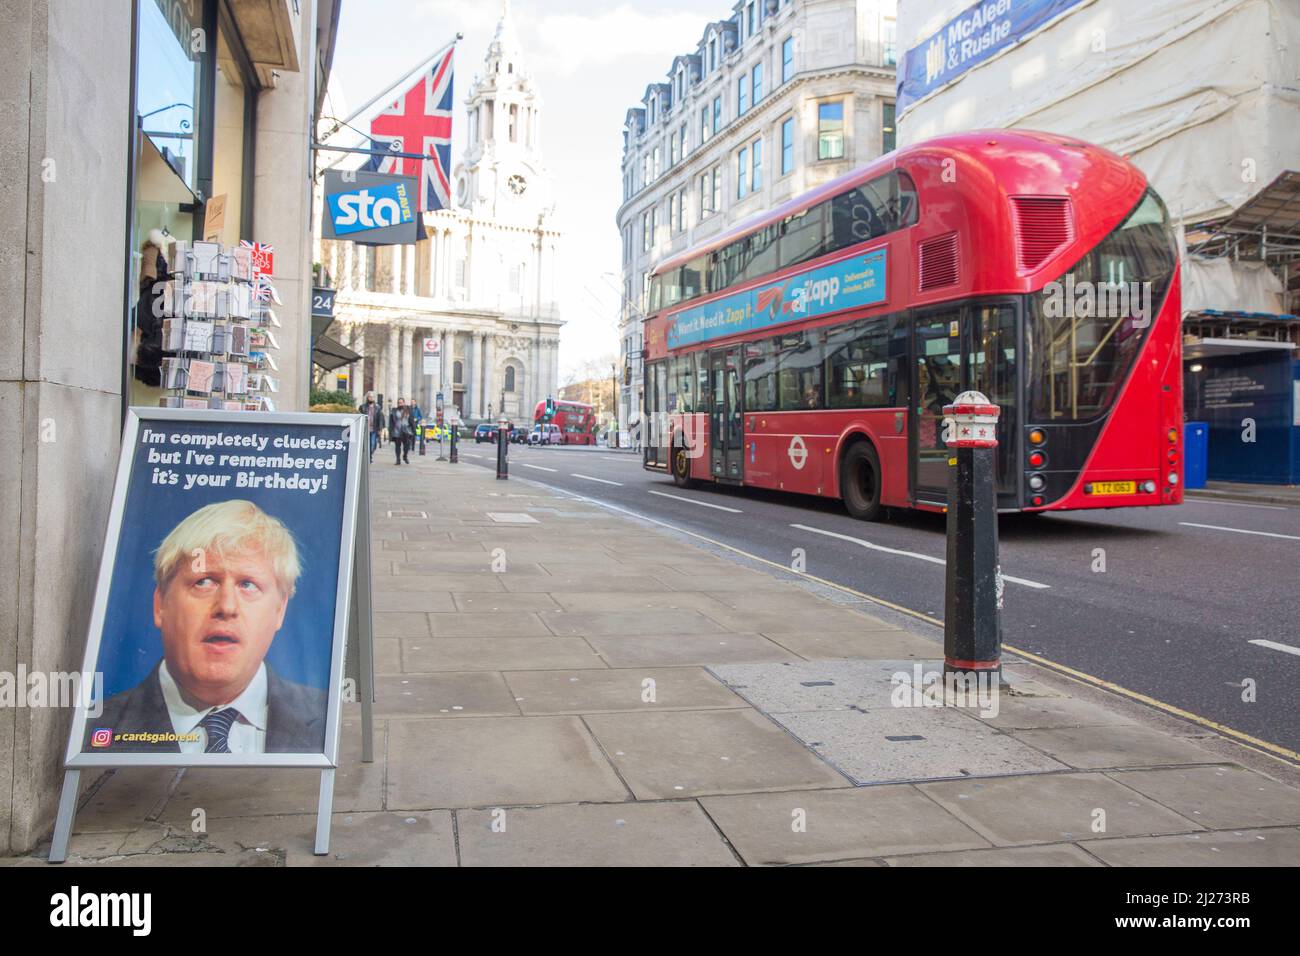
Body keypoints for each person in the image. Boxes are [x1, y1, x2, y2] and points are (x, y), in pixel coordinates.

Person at [85, 500, 326, 754]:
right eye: (205, 582)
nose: (227, 606)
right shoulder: (93, 733)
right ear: (160, 605)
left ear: (280, 610)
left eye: (247, 585)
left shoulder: (330, 720)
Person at [358, 391, 382, 463]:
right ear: (367, 398)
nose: (371, 398)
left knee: (373, 445)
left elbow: (380, 419)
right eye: (369, 397)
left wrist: (380, 428)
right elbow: (359, 417)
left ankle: (370, 455)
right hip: (365, 429)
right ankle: (368, 457)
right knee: (366, 444)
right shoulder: (362, 407)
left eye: (372, 397)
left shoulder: (378, 407)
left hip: (374, 429)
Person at [389, 398, 414, 464]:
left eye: (401, 402)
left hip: (406, 431)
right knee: (397, 446)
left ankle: (405, 456)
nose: (400, 404)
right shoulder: (394, 410)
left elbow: (412, 420)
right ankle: (398, 459)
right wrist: (390, 430)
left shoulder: (408, 410)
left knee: (406, 446)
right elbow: (391, 421)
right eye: (399, 403)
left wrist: (413, 430)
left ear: (404, 403)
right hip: (397, 431)